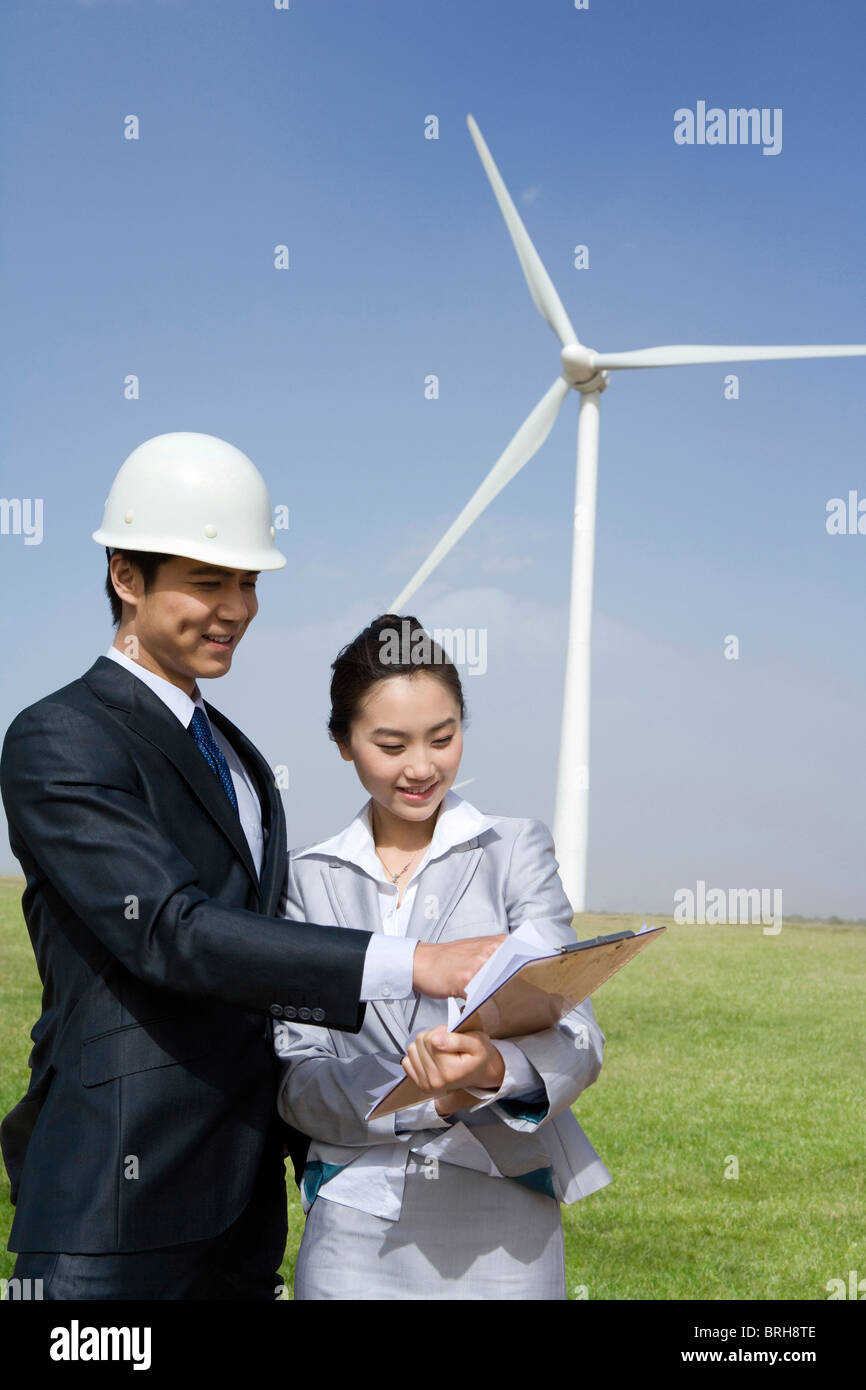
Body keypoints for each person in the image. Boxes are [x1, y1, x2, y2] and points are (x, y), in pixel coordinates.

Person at [0, 434, 499, 1300]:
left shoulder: (237, 755)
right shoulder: (60, 737)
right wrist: (412, 963)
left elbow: (261, 963)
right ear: (126, 575)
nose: (236, 608)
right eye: (208, 580)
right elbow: (170, 931)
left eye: (249, 582)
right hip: (113, 1210)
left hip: (241, 1206)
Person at [276, 613, 612, 1300]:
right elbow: (295, 1079)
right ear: (343, 742)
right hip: (355, 1219)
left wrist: (495, 1071)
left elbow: (578, 1035)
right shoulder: (304, 878)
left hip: (504, 1220)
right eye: (391, 744)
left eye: (444, 737)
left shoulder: (514, 850)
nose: (422, 768)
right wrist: (420, 1093)